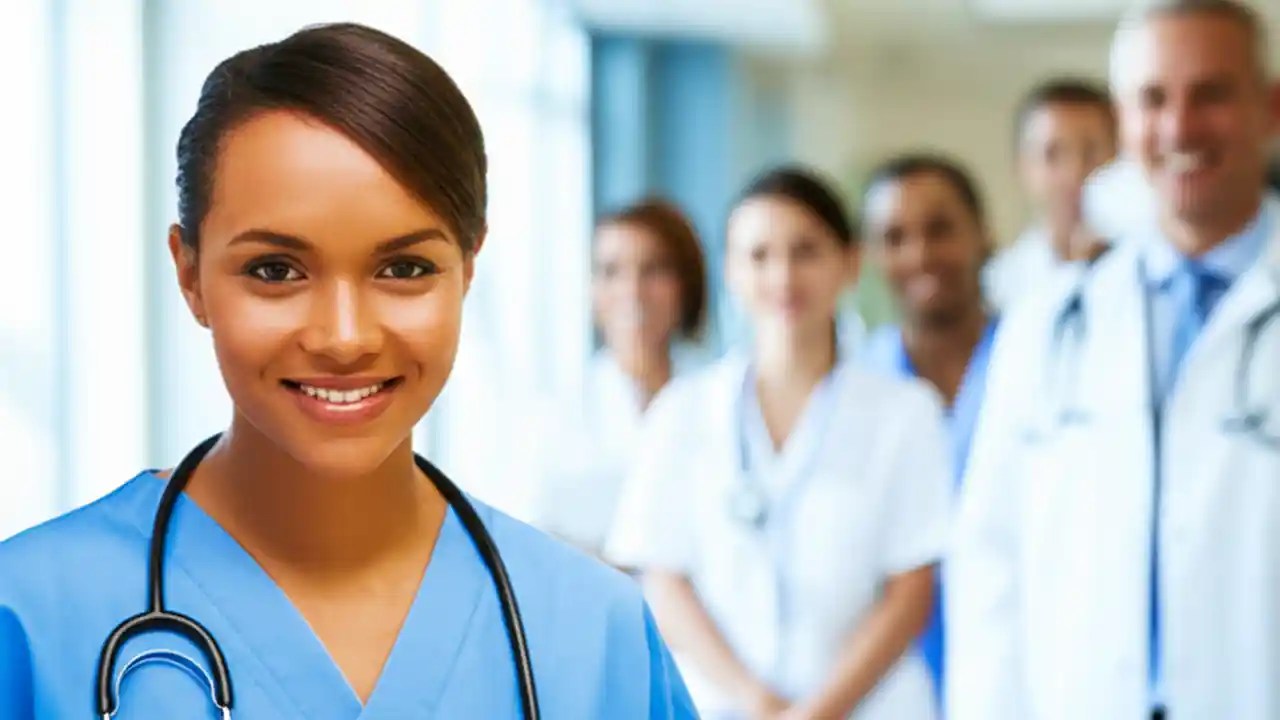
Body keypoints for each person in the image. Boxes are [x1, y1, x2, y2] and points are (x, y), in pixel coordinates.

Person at [0, 24, 697, 719]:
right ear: (190, 276)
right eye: (275, 271)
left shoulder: (596, 637)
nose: (344, 338)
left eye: (405, 269)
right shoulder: (29, 617)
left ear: (468, 270)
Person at [948, 2, 1280, 719]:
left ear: (1272, 108)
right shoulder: (1046, 328)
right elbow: (989, 570)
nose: (1180, 127)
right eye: (1153, 99)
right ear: (1125, 123)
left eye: (1212, 94)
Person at [607, 166, 952, 719]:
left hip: (870, 707)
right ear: (730, 271)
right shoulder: (683, 411)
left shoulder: (906, 412)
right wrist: (760, 703)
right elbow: (664, 579)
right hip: (724, 705)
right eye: (760, 255)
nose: (783, 276)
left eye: (806, 251)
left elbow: (911, 593)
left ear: (849, 263)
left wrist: (817, 712)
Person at [857, 154, 998, 707]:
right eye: (894, 237)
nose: (919, 254)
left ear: (982, 233)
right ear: (868, 256)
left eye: (940, 229)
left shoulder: (1035, 364)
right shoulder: (857, 386)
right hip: (894, 687)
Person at [528, 199, 709, 556]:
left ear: (687, 284)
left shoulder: (717, 396)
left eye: (654, 269)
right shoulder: (557, 409)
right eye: (611, 271)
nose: (633, 291)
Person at [984, 78, 1118, 310]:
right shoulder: (999, 288)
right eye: (1052, 154)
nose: (1074, 172)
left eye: (1091, 151)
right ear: (1023, 167)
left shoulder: (1155, 263)